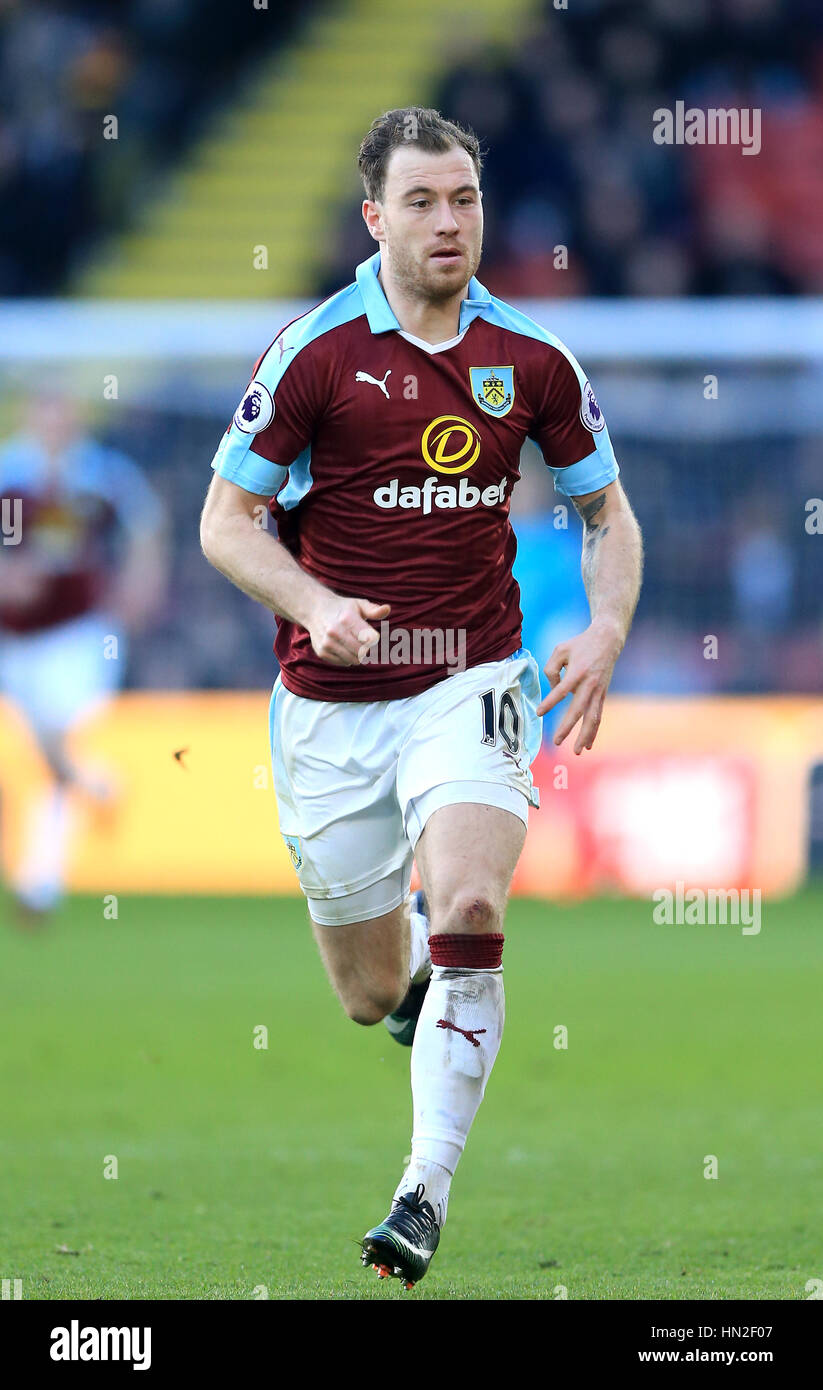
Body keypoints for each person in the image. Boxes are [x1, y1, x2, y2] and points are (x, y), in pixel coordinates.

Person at [200, 107, 643, 1289]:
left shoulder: (532, 359)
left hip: (474, 677)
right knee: (368, 991)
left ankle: (421, 1189)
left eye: (465, 200)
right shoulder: (314, 352)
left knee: (474, 907)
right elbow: (224, 523)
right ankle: (408, 995)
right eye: (422, 203)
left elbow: (606, 512)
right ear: (374, 218)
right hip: (331, 706)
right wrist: (311, 602)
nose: (450, 224)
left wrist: (602, 627)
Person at [0, 395, 166, 921]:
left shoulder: (103, 474)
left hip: (78, 634)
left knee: (53, 742)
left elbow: (147, 527)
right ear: (32, 418)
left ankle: (40, 883)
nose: (55, 424)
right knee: (48, 753)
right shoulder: (10, 472)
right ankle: (98, 784)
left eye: (62, 415)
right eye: (46, 414)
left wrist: (142, 583)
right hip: (14, 637)